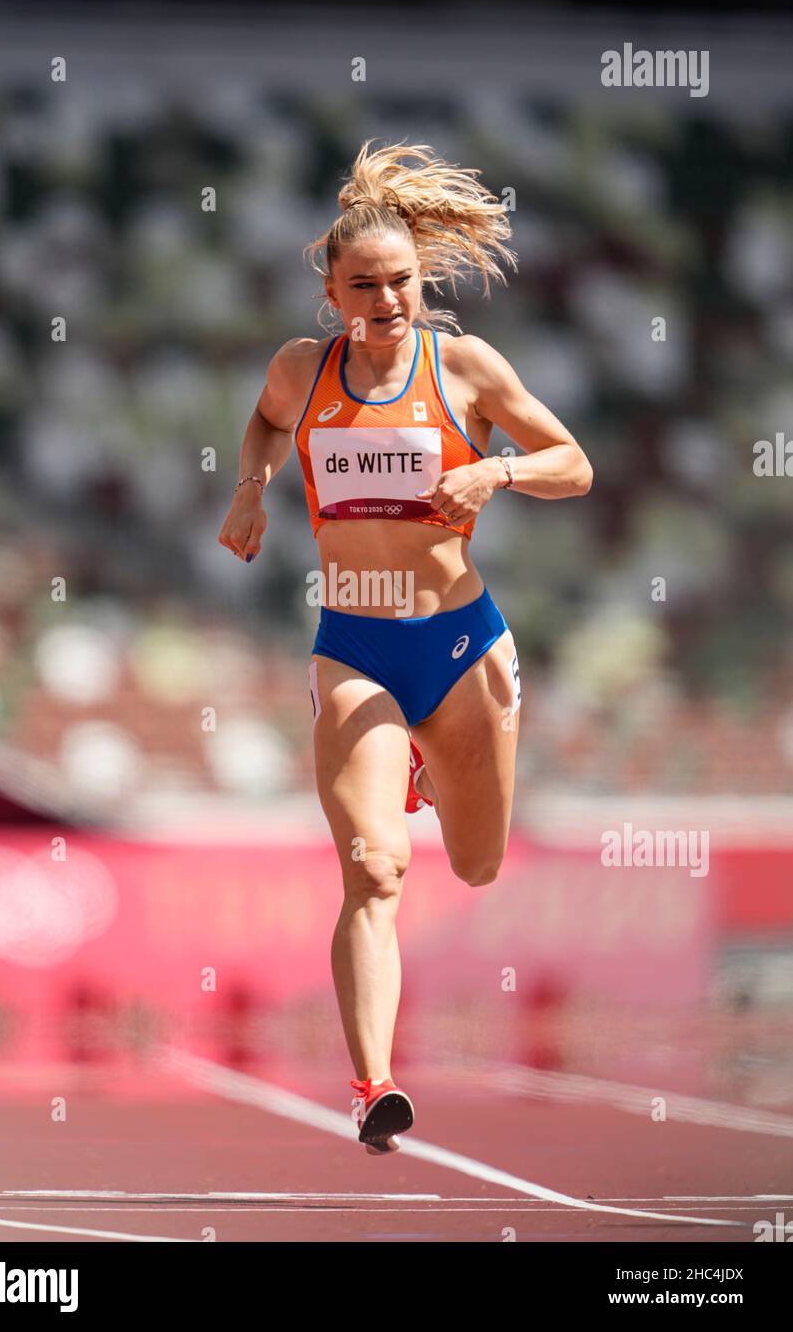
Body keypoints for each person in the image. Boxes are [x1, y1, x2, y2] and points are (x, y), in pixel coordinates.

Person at [219, 139, 592, 1154]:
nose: (383, 302)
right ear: (329, 291)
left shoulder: (461, 367)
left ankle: (431, 765)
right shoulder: (301, 372)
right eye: (362, 286)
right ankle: (372, 1084)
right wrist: (251, 485)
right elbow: (260, 423)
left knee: (473, 864)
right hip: (353, 649)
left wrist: (494, 476)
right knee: (373, 870)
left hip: (462, 645)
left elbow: (574, 463)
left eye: (399, 283)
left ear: (420, 281)